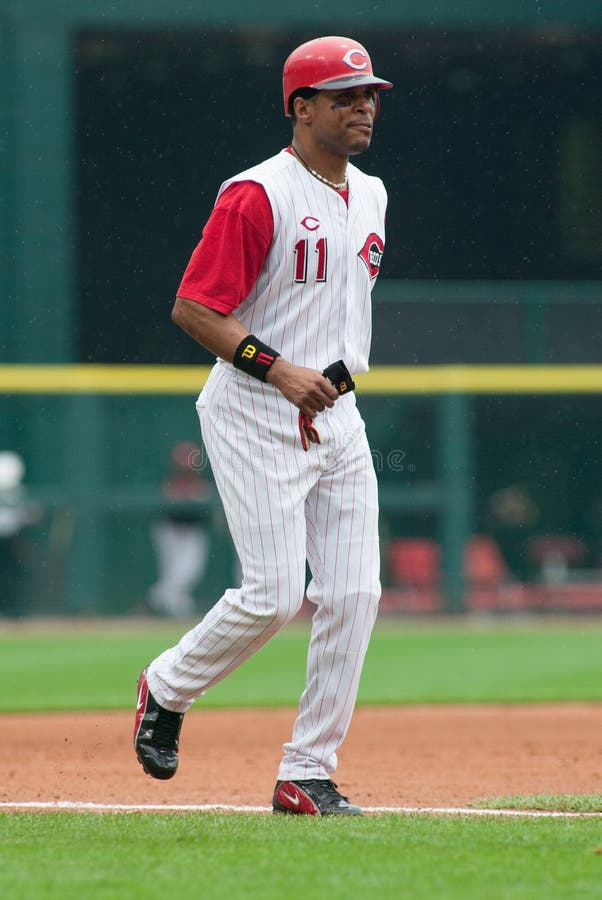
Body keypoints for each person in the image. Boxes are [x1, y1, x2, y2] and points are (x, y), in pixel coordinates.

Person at [134, 35, 392, 816]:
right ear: (300, 106)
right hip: (256, 408)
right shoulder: (257, 194)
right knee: (276, 595)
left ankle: (307, 771)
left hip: (338, 414)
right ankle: (168, 684)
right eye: (344, 96)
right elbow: (193, 306)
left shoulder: (373, 193)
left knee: (355, 594)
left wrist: (318, 381)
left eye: (369, 94)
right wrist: (277, 368)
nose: (363, 107)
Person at [147, 442, 212, 618]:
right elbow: (164, 496)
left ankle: (158, 599)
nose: (186, 461)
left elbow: (207, 496)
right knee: (172, 571)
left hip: (194, 531)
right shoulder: (168, 473)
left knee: (190, 571)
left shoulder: (204, 474)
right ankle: (179, 609)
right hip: (169, 530)